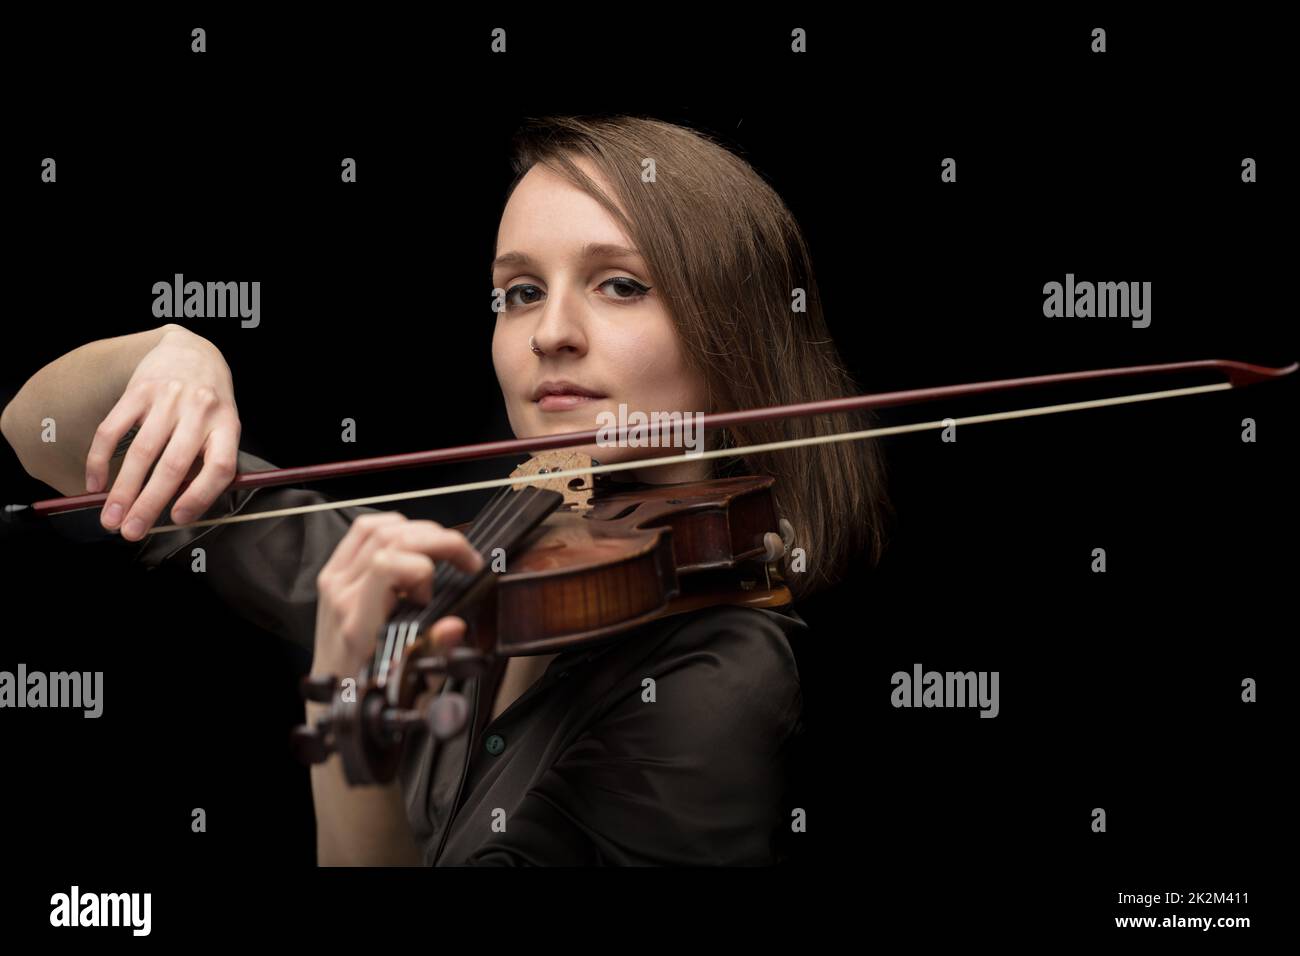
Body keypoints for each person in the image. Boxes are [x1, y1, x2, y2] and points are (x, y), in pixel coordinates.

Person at [1, 115, 887, 865]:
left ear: (732, 326)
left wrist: (353, 737)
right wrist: (173, 354)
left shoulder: (721, 681)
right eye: (520, 292)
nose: (551, 334)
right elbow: (36, 435)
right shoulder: (486, 571)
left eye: (620, 285)